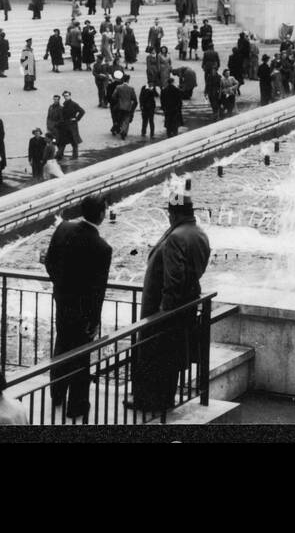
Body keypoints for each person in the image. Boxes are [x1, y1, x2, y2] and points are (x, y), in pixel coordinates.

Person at [131, 176, 211, 414]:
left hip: (162, 312)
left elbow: (173, 281)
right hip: (184, 308)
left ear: (172, 212)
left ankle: (148, 402)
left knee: (153, 356)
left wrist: (162, 313)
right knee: (171, 360)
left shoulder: (176, 237)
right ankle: (163, 399)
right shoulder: (199, 234)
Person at [43, 194, 113, 420]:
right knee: (81, 358)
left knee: (62, 345)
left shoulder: (63, 228)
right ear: (101, 214)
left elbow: (49, 262)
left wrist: (60, 286)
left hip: (63, 302)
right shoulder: (102, 247)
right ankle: (77, 405)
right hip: (83, 312)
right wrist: (94, 320)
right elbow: (97, 290)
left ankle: (57, 394)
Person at [56, 90, 84, 161]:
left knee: (74, 142)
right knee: (62, 141)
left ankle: (75, 156)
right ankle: (59, 155)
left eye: (67, 96)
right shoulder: (65, 104)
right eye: (64, 96)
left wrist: (76, 119)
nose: (66, 97)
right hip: (65, 125)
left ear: (70, 96)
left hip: (72, 126)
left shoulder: (74, 104)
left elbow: (82, 111)